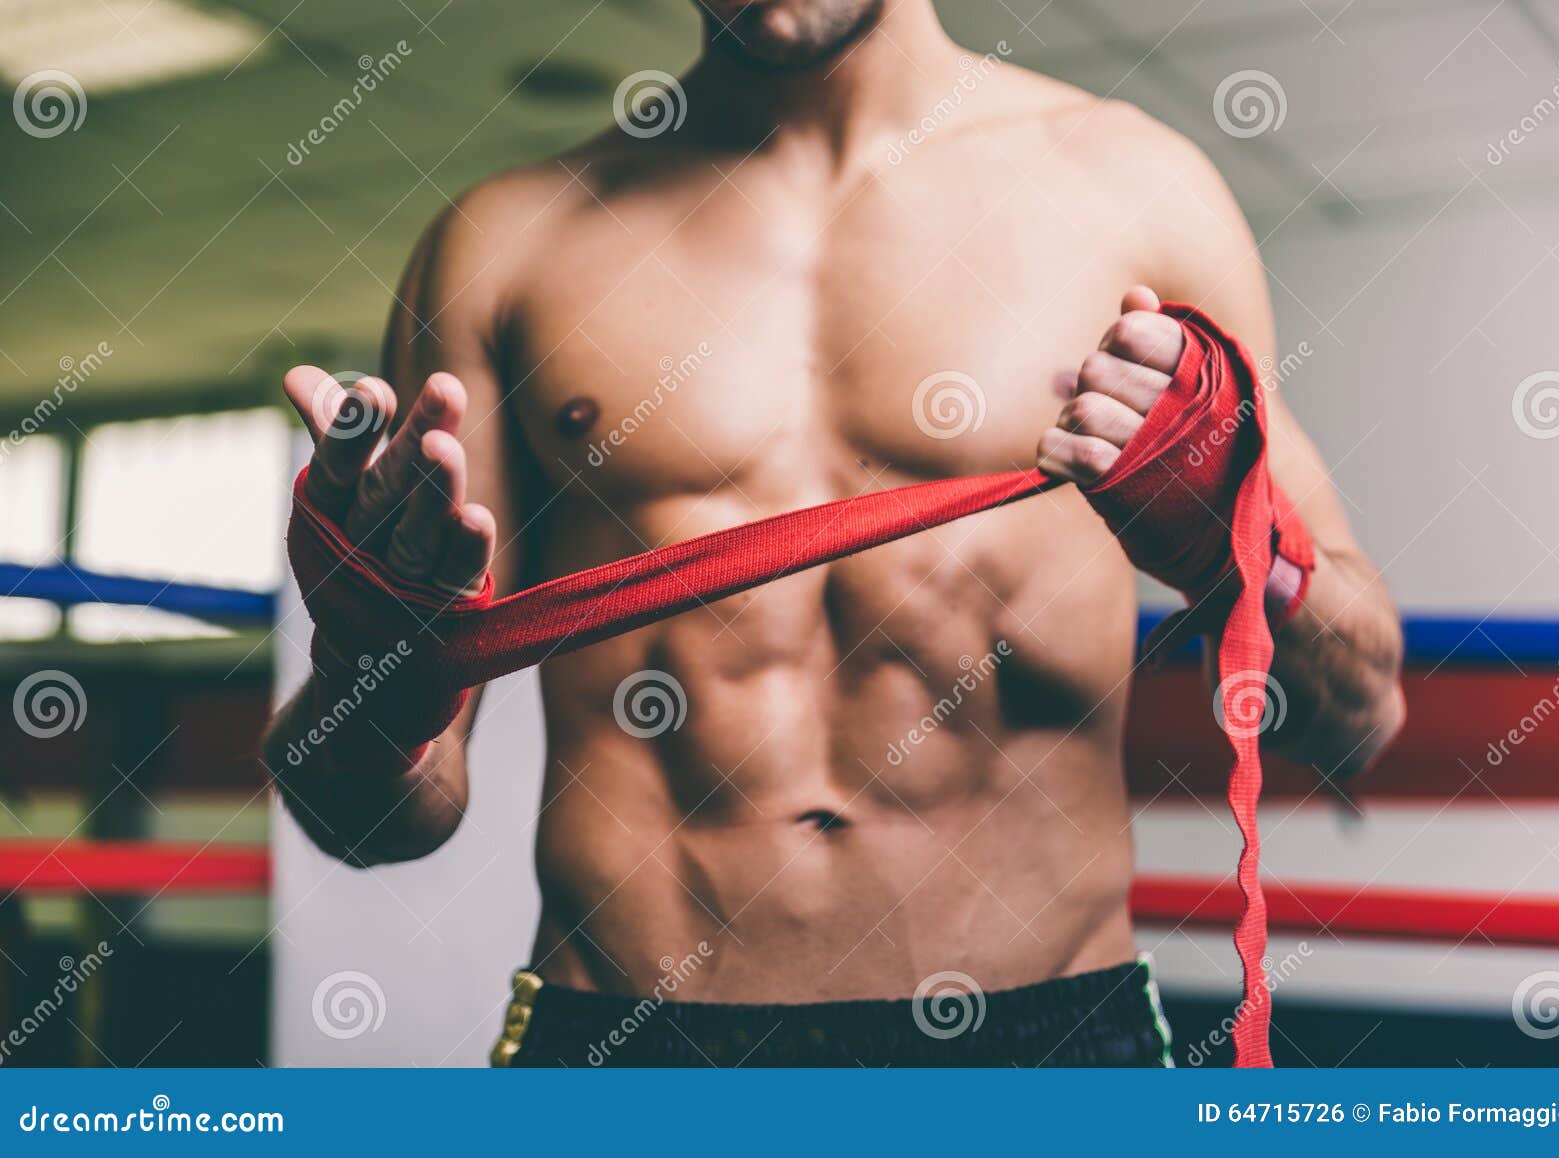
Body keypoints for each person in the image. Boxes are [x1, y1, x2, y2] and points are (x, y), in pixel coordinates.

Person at [265, 0, 1405, 1066]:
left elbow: (1355, 718)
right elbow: (375, 823)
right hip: (635, 1046)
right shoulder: (508, 244)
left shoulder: (1134, 193)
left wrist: (1245, 561)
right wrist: (369, 678)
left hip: (1042, 1045)